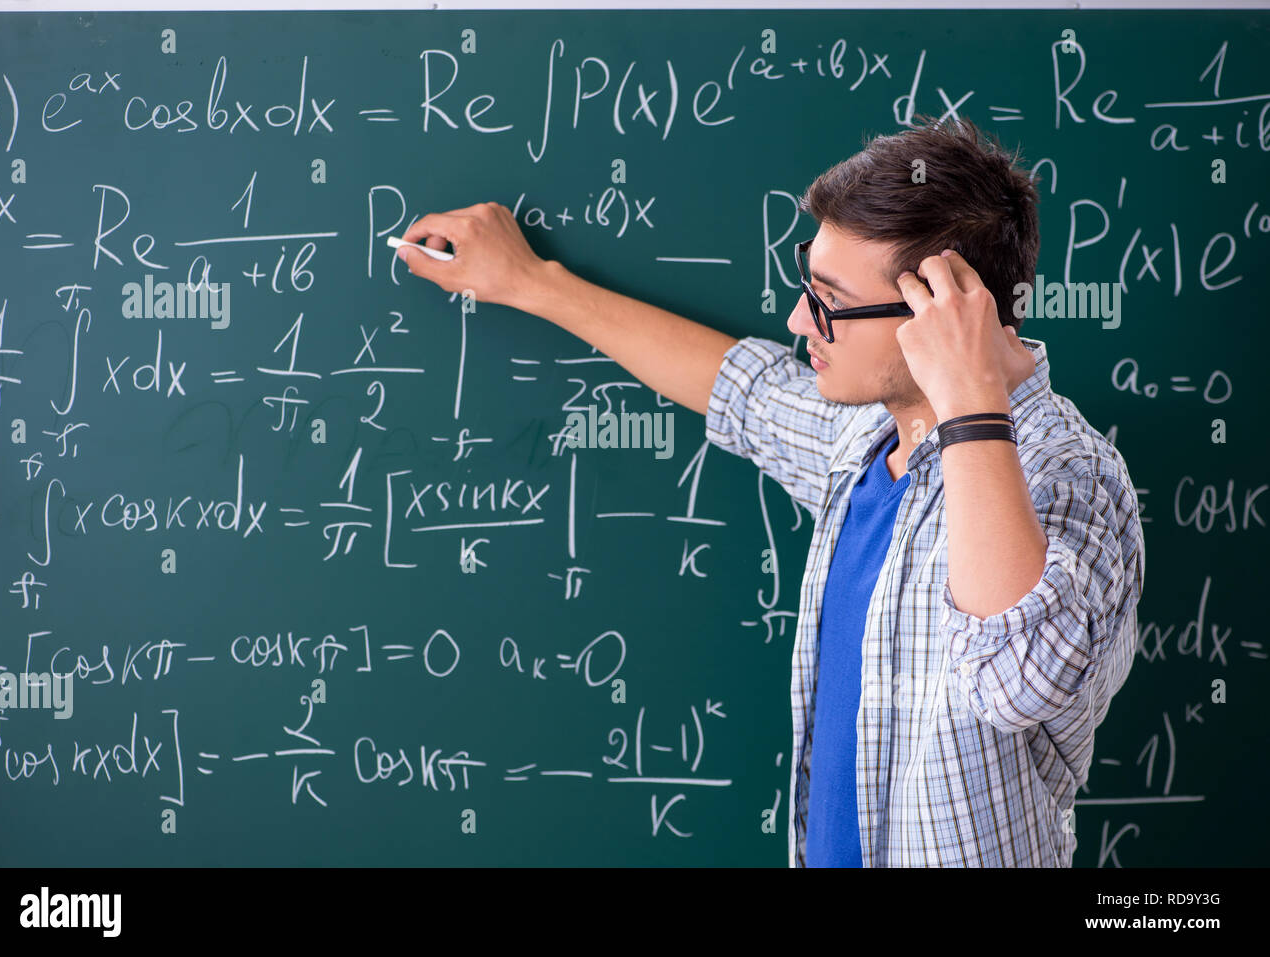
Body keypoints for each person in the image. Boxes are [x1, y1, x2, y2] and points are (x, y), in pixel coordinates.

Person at [395, 116, 1145, 867]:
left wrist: (972, 396)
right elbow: (739, 389)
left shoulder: (1069, 473)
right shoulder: (865, 440)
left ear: (941, 308)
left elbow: (1017, 683)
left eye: (828, 300)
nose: (798, 321)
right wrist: (531, 282)